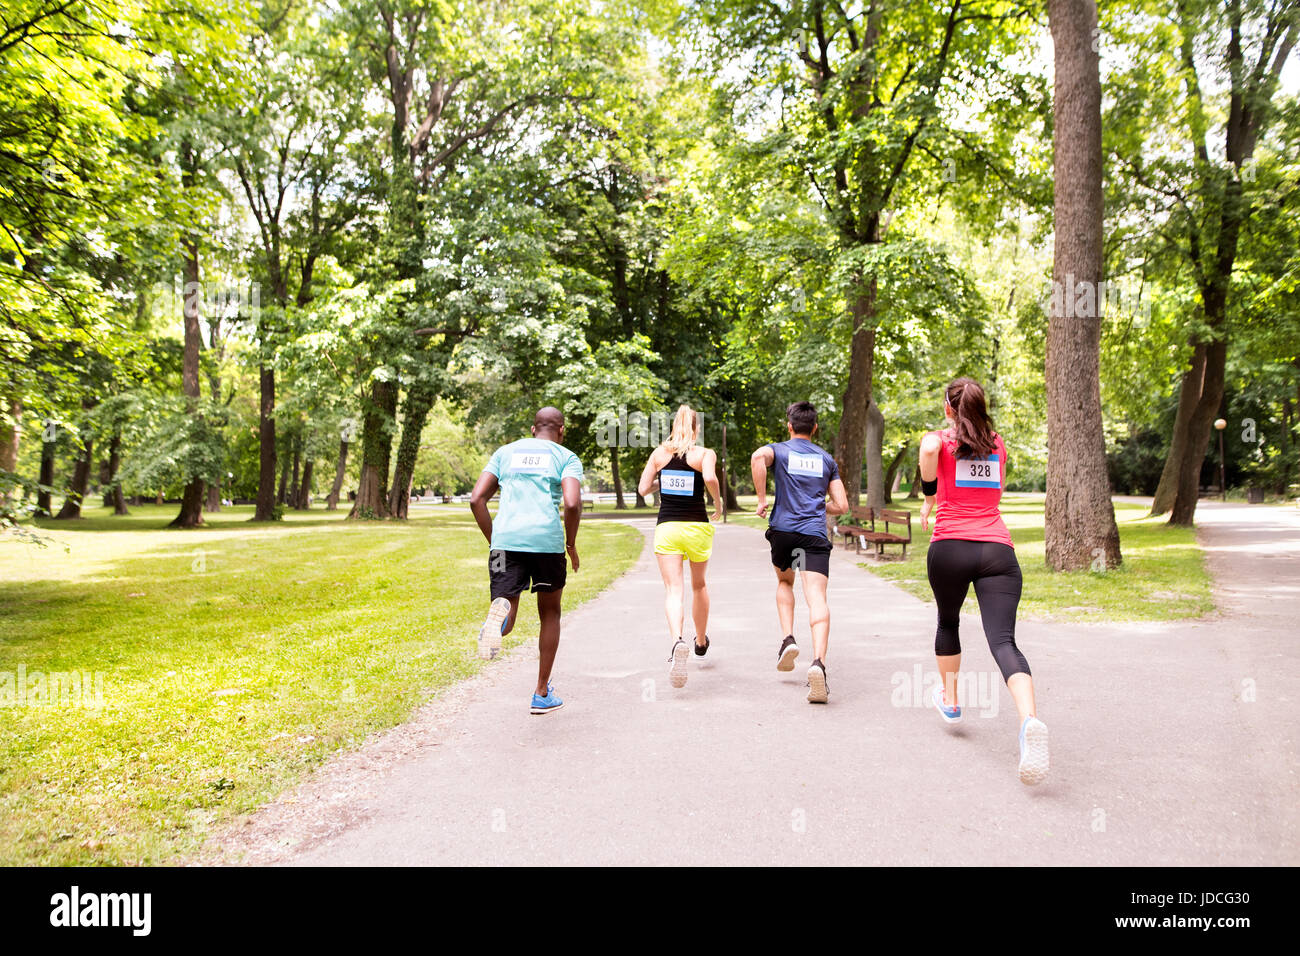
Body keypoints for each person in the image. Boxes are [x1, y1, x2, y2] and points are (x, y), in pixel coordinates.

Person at [918, 377, 1049, 785]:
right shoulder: (997, 444)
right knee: (1004, 641)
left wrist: (928, 497)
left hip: (951, 547)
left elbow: (927, 447)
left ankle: (952, 701)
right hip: (998, 551)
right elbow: (999, 493)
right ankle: (1029, 721)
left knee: (948, 622)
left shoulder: (941, 439)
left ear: (948, 408)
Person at [468, 406, 582, 715]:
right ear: (561, 430)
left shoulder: (505, 452)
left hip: (505, 545)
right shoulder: (565, 456)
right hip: (546, 543)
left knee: (508, 610)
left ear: (533, 429)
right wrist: (570, 543)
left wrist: (497, 541)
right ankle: (541, 693)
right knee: (550, 613)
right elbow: (571, 503)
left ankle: (497, 619)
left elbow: (477, 498)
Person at [751, 401, 848, 703]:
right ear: (815, 428)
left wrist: (761, 498)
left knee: (784, 582)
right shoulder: (826, 459)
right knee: (817, 597)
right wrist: (821, 505)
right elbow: (842, 505)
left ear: (789, 425)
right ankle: (818, 662)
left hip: (783, 532)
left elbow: (757, 457)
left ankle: (788, 639)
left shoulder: (778, 450)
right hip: (813, 535)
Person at [636, 405, 722, 689]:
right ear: (696, 429)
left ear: (674, 426)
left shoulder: (659, 454)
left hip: (668, 528)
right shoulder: (704, 454)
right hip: (697, 527)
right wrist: (718, 504)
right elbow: (709, 478)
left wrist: (663, 481)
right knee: (699, 586)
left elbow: (643, 489)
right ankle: (700, 641)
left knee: (674, 589)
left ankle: (676, 641)